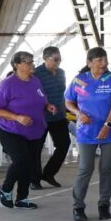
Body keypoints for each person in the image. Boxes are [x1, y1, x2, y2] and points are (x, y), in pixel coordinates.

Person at [0, 51, 57, 210]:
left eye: (32, 61)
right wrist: (17, 117)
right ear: (17, 65)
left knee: (30, 164)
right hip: (12, 130)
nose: (32, 64)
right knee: (21, 160)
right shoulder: (8, 84)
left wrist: (48, 106)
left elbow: (41, 99)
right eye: (28, 62)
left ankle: (22, 198)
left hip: (34, 130)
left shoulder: (35, 81)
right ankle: (5, 189)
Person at [66, 47, 111, 221]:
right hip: (86, 131)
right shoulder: (79, 81)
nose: (104, 63)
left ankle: (104, 204)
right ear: (89, 62)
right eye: (99, 60)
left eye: (105, 60)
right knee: (85, 168)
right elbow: (68, 101)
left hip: (110, 130)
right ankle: (78, 206)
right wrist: (78, 113)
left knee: (106, 169)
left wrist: (107, 125)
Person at [35, 46, 70, 188]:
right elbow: (34, 94)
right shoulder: (36, 73)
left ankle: (49, 173)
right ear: (45, 58)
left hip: (59, 116)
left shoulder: (61, 73)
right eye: (55, 60)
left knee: (63, 144)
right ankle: (34, 179)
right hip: (41, 116)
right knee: (36, 149)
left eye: (60, 60)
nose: (58, 63)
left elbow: (62, 93)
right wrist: (45, 104)